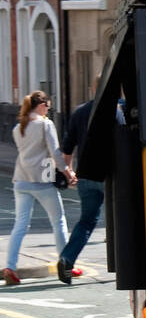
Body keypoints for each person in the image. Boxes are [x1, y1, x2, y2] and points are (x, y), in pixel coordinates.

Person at [3, 90, 72, 286]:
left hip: (21, 179)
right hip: (41, 178)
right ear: (41, 106)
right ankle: (65, 262)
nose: (48, 110)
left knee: (20, 225)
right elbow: (55, 153)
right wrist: (67, 172)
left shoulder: (19, 127)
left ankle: (10, 267)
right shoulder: (45, 124)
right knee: (58, 220)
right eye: (48, 106)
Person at [56, 96, 102, 284]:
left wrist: (69, 174)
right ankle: (129, 269)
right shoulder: (119, 109)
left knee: (86, 221)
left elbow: (67, 148)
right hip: (112, 176)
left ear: (92, 89)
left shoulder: (80, 111)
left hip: (86, 175)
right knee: (126, 221)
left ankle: (67, 258)